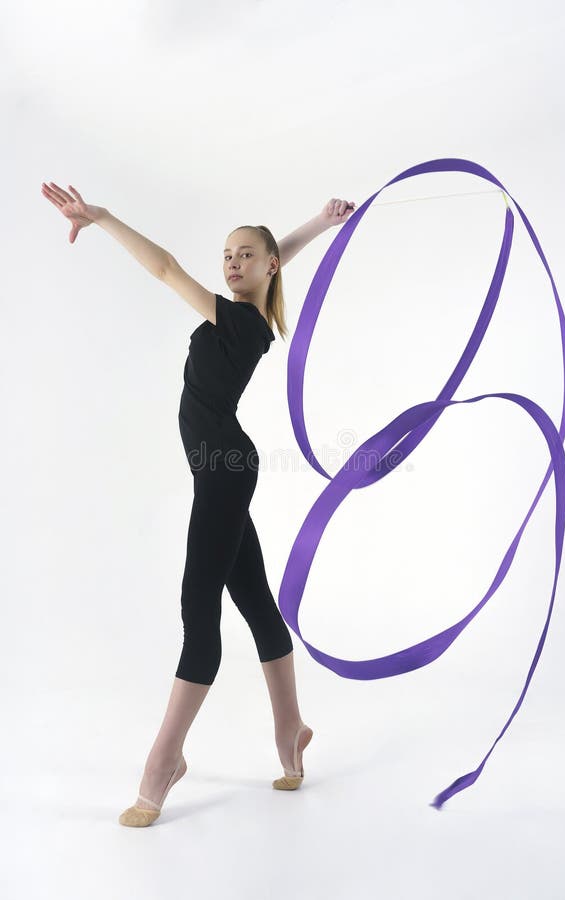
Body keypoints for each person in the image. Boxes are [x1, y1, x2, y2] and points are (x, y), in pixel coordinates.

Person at [40, 180, 355, 826]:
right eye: (227, 254)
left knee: (197, 608)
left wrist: (102, 216)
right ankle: (291, 732)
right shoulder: (256, 316)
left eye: (244, 255)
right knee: (255, 602)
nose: (231, 261)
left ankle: (164, 761)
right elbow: (272, 261)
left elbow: (162, 267)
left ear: (263, 268)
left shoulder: (238, 320)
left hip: (225, 472)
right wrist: (314, 226)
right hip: (226, 467)